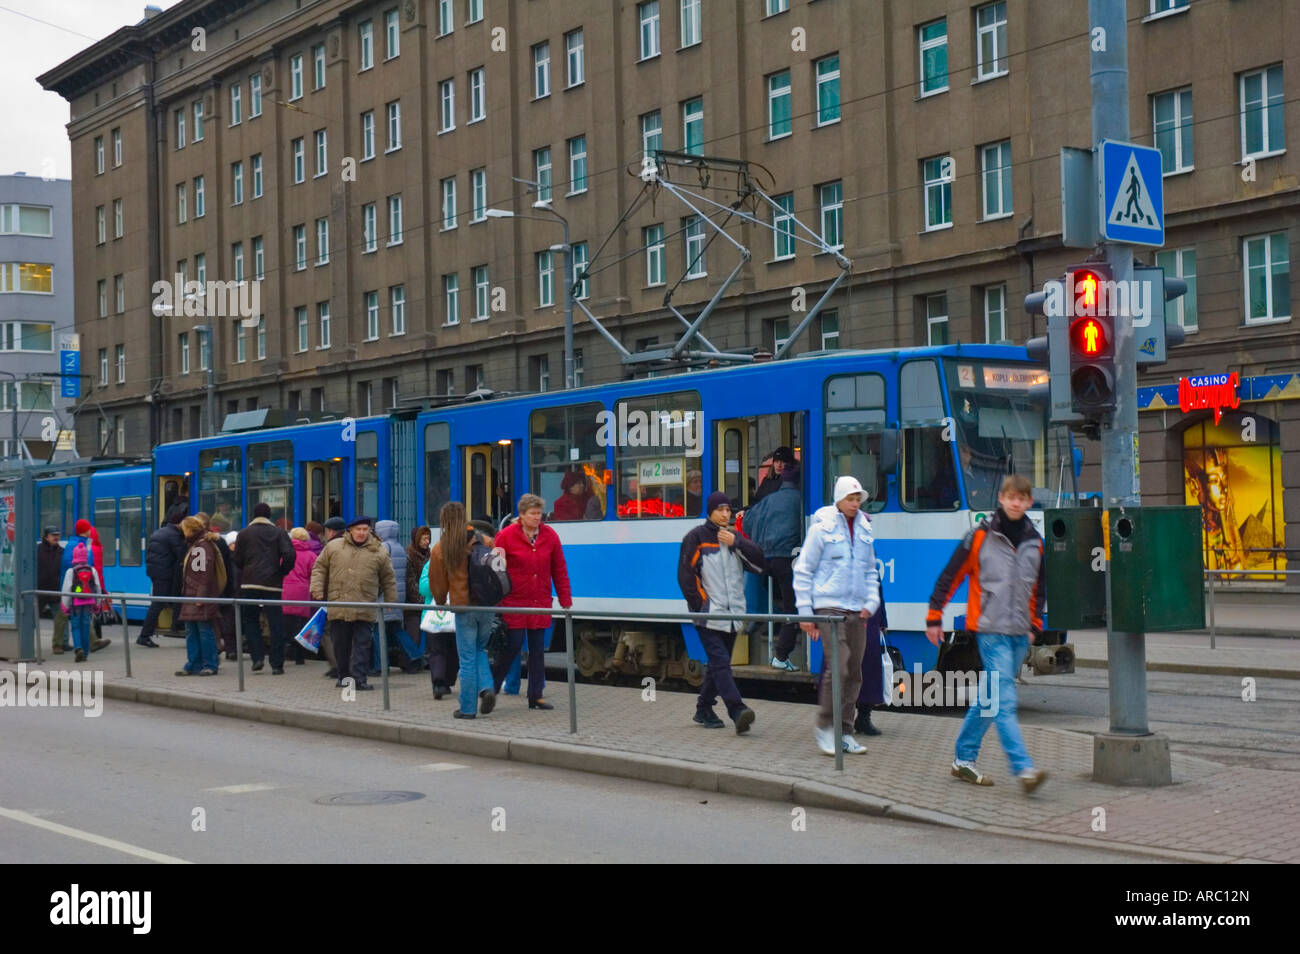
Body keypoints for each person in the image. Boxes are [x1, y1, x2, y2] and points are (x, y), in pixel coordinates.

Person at [926, 473, 1048, 793]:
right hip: (990, 631)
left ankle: (963, 759)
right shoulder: (979, 537)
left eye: (1022, 498)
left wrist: (1036, 623)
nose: (1016, 503)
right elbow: (950, 576)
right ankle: (1024, 769)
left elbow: (1039, 587)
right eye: (1011, 497)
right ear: (1002, 499)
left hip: (1020, 633)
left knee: (988, 699)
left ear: (1028, 502)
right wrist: (934, 616)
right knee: (1004, 702)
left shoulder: (1036, 542)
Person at [793, 475, 880, 757]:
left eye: (858, 500)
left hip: (857, 610)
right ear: (839, 500)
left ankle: (845, 732)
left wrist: (872, 601)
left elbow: (870, 571)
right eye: (850, 499)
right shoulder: (822, 529)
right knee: (839, 668)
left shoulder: (865, 528)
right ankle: (825, 726)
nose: (855, 504)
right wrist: (806, 612)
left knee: (854, 672)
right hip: (828, 608)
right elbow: (803, 570)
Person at [677, 491, 764, 733]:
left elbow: (759, 563)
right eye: (720, 510)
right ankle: (737, 710)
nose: (725, 514)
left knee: (718, 666)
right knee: (722, 663)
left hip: (733, 615)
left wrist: (737, 542)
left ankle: (703, 709)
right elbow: (686, 577)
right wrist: (702, 606)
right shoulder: (695, 537)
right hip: (708, 615)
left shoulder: (733, 538)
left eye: (728, 510)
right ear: (711, 511)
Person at [493, 493, 572, 710]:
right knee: (512, 647)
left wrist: (565, 599)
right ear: (522, 515)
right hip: (514, 602)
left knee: (538, 651)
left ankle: (536, 695)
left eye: (539, 513)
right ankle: (492, 688)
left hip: (540, 602)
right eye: (533, 514)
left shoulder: (550, 536)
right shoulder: (505, 536)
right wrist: (497, 599)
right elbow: (495, 570)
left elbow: (559, 569)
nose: (538, 518)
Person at [422, 502, 495, 716]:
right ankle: (487, 687)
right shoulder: (484, 540)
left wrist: (440, 601)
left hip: (463, 609)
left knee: (467, 658)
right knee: (480, 650)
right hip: (487, 606)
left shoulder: (442, 547)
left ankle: (468, 708)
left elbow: (437, 584)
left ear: (444, 521)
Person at [310, 515, 396, 692]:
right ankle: (344, 677)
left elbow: (388, 578)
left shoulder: (378, 551)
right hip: (339, 604)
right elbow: (319, 568)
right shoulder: (334, 546)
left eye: (365, 530)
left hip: (365, 605)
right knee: (341, 645)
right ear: (350, 530)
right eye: (358, 529)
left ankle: (359, 680)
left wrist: (390, 599)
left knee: (362, 646)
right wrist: (317, 589)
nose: (362, 533)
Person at [744, 460, 804, 672]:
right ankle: (781, 655)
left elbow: (747, 522)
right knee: (794, 607)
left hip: (765, 559)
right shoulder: (801, 500)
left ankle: (762, 621)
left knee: (772, 595)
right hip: (787, 559)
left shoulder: (769, 499)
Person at [233, 502, 295, 674]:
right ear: (269, 516)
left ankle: (257, 658)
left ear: (253, 515)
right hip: (273, 584)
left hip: (249, 583)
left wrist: (245, 569)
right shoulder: (279, 532)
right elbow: (289, 554)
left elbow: (237, 558)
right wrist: (282, 571)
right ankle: (277, 664)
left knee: (251, 620)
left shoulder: (244, 534)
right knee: (276, 622)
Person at [175, 515, 224, 676]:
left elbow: (205, 573)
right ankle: (195, 663)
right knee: (193, 630)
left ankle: (208, 664)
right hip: (192, 594)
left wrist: (200, 595)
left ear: (189, 530)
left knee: (203, 630)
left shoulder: (202, 546)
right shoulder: (199, 544)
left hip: (197, 595)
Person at [375, 519, 424, 672]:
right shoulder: (400, 548)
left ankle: (380, 666)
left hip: (383, 596)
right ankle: (415, 655)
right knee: (396, 629)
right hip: (398, 596)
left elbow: (378, 573)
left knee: (377, 630)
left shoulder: (383, 548)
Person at [139, 502, 189, 648]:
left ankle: (176, 625)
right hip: (164, 573)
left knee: (162, 601)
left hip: (156, 572)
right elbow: (181, 554)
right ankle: (144, 635)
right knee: (158, 604)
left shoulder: (161, 531)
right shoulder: (173, 535)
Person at [59, 541, 103, 662]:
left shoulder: (71, 572)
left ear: (75, 557)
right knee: (86, 626)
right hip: (89, 603)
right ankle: (86, 652)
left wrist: (65, 606)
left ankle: (78, 648)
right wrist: (97, 604)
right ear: (86, 556)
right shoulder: (92, 570)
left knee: (75, 626)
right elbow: (98, 588)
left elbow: (66, 590)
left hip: (75, 604)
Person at [281, 527, 319, 660]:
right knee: (302, 624)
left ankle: (287, 651)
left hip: (286, 589)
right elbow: (315, 573)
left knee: (287, 622)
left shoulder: (285, 553)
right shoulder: (311, 555)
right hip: (303, 590)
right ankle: (300, 656)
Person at [856, 584, 888, 736]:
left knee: (870, 673)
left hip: (870, 623)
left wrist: (883, 620)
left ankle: (864, 717)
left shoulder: (871, 563)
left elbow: (878, 591)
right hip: (850, 621)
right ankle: (842, 721)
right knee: (847, 673)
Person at [208, 513, 238, 660]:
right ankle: (231, 649)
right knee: (228, 619)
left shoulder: (202, 544)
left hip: (210, 590)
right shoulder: (221, 543)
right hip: (224, 587)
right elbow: (227, 568)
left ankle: (216, 648)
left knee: (213, 622)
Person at [37, 528, 70, 654]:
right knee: (31, 618)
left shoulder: (62, 551)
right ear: (45, 537)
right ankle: (24, 643)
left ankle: (62, 644)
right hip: (39, 590)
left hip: (56, 590)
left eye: (58, 535)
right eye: (53, 535)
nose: (56, 537)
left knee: (61, 617)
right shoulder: (37, 550)